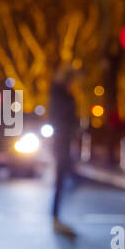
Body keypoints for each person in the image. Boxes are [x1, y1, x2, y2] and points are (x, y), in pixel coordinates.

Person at [47, 66, 79, 236]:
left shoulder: (59, 95)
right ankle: (56, 217)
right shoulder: (61, 97)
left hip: (63, 142)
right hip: (61, 143)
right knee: (64, 180)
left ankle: (56, 217)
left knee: (64, 180)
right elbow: (60, 119)